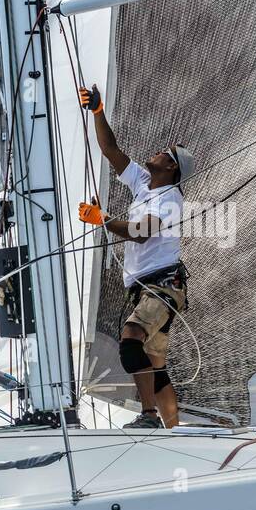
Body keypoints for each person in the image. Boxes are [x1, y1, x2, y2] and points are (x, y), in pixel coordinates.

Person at [76, 83, 195, 430]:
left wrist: (103, 219)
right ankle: (173, 429)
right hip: (150, 288)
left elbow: (139, 231)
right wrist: (98, 112)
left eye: (165, 153)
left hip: (162, 286)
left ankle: (148, 418)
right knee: (156, 367)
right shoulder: (146, 182)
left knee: (130, 340)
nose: (158, 152)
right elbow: (110, 149)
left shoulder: (170, 198)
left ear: (171, 169)